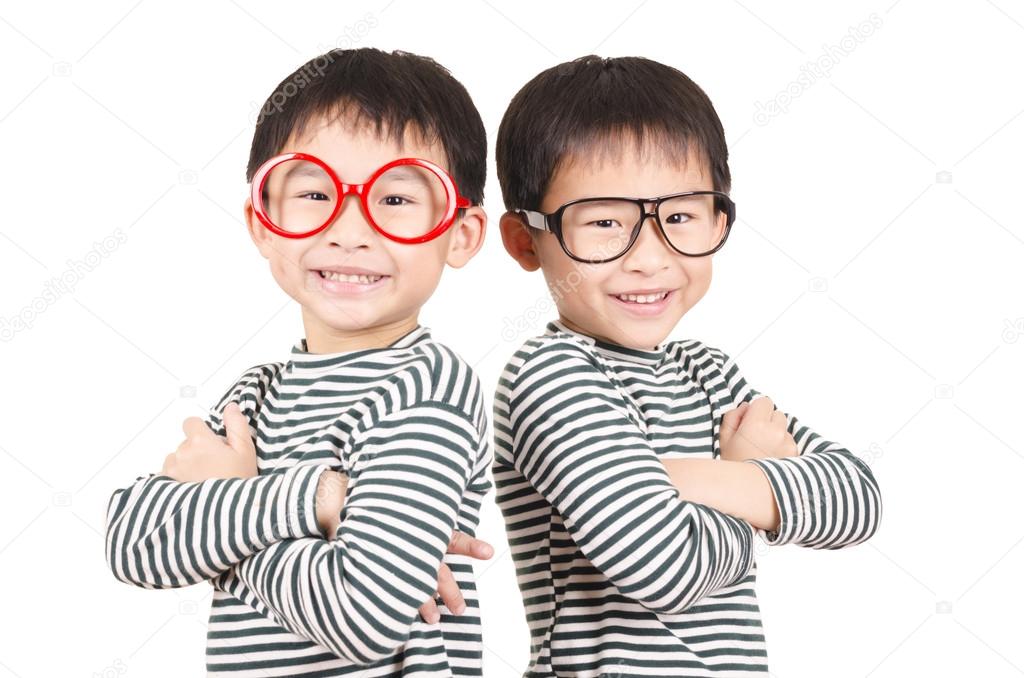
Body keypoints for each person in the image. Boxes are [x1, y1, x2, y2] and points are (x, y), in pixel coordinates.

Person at [105, 47, 495, 677]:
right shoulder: (254, 393)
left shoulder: (430, 387)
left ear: (461, 234)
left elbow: (361, 615)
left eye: (395, 200)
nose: (348, 229)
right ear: (263, 224)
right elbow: (134, 543)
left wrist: (231, 505)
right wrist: (315, 498)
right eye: (314, 192)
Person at [492, 54, 883, 676]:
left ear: (717, 218)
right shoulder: (549, 374)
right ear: (524, 241)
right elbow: (664, 567)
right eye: (602, 223)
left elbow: (856, 499)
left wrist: (674, 479)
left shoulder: (708, 370)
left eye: (678, 217)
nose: (648, 257)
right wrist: (753, 478)